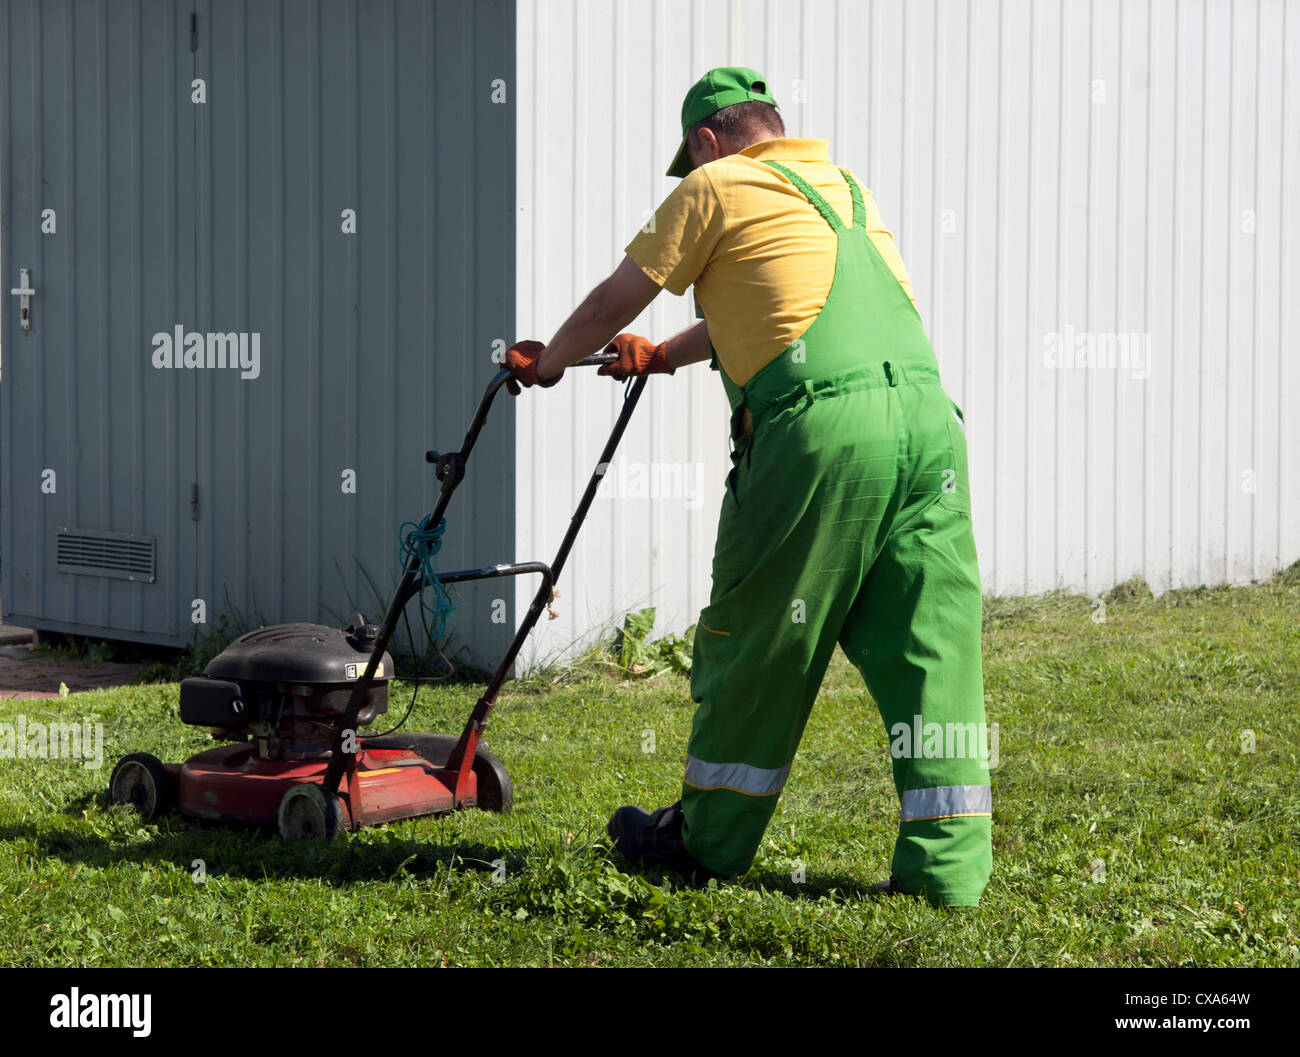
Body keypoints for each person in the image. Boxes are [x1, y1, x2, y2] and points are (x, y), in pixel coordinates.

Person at [505, 67, 992, 907]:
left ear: (705, 140)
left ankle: (705, 842)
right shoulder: (845, 190)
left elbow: (612, 299)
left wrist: (544, 362)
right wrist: (661, 354)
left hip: (822, 433)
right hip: (927, 426)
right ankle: (947, 872)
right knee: (933, 647)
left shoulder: (716, 186)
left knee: (755, 635)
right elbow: (776, 311)